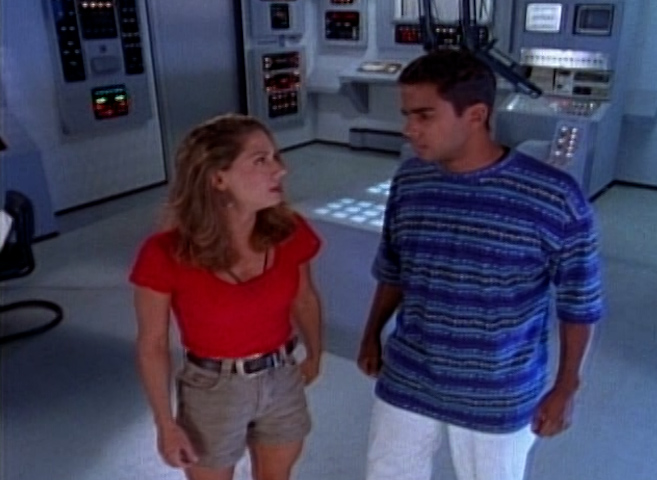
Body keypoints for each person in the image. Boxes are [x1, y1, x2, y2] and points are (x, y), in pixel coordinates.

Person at [357, 49, 603, 480]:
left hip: (497, 390)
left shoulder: (554, 197)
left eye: (424, 116)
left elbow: (579, 304)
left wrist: (567, 387)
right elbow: (394, 268)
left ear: (475, 115)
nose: (409, 129)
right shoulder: (411, 180)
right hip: (410, 372)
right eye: (406, 116)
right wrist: (371, 334)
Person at [129, 113, 323, 480]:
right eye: (261, 160)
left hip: (281, 374)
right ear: (218, 178)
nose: (280, 170)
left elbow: (305, 298)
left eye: (276, 157)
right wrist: (166, 424)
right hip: (213, 388)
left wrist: (314, 354)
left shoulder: (290, 232)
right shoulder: (164, 253)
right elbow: (152, 344)